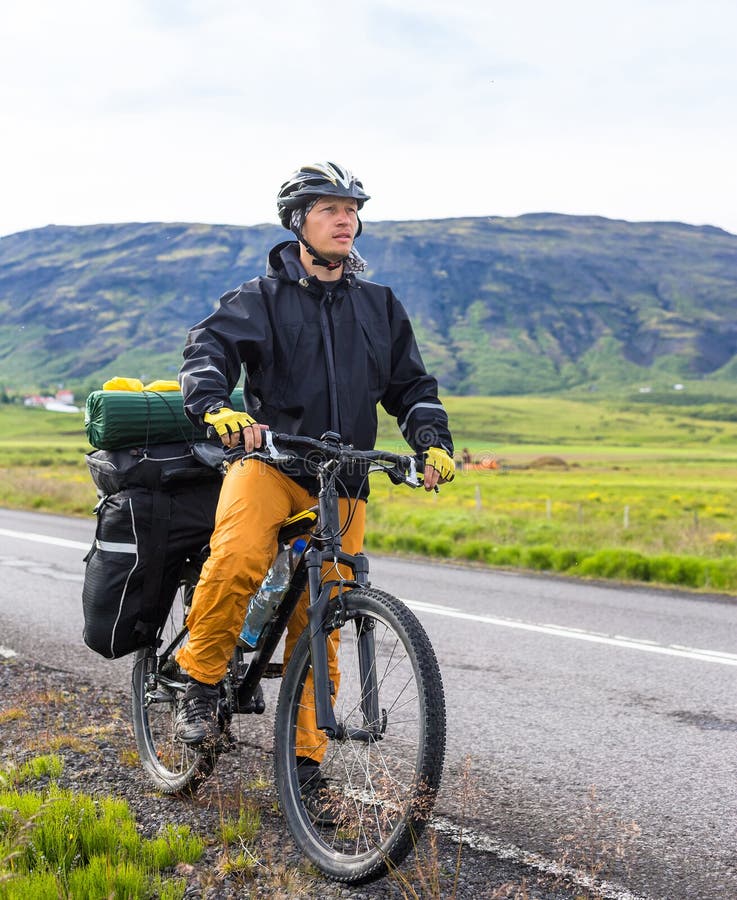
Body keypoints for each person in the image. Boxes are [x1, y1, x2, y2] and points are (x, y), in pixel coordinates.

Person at [173, 161, 455, 795]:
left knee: (321, 616)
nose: (346, 219)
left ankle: (303, 765)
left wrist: (433, 444)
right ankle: (201, 680)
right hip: (270, 464)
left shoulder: (379, 305)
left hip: (345, 480)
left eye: (352, 209)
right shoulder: (261, 298)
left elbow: (411, 387)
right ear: (298, 221)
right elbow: (208, 350)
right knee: (238, 558)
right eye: (330, 209)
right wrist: (217, 408)